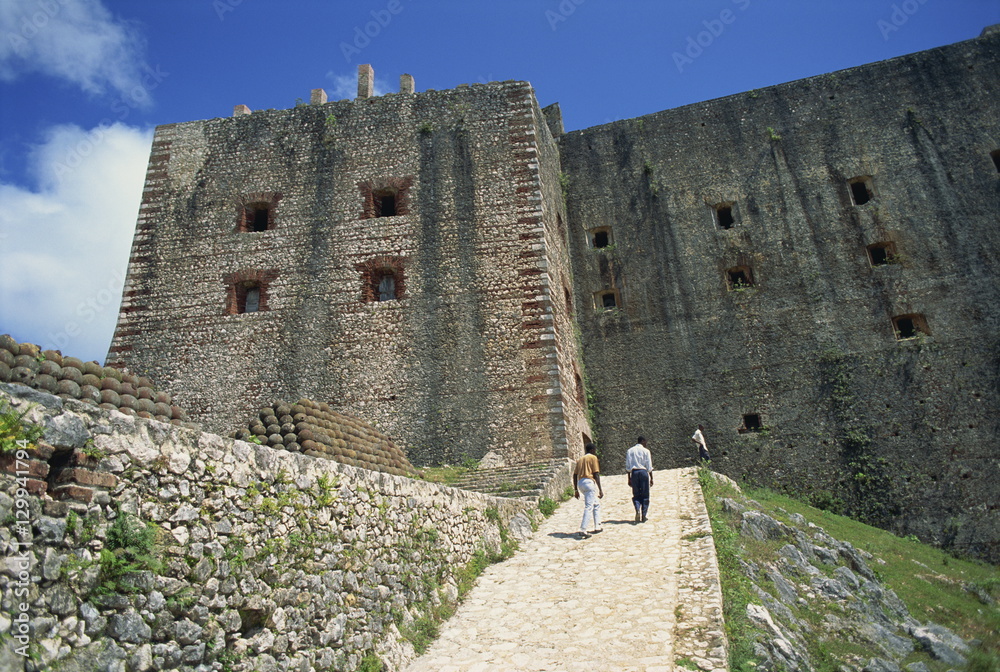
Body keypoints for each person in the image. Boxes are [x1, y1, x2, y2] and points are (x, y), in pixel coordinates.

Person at [573, 442, 604, 538]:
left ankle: (597, 526)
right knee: (589, 506)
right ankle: (583, 529)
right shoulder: (593, 458)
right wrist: (600, 489)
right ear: (591, 450)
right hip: (589, 482)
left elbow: (574, 475)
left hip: (580, 483)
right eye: (594, 450)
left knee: (596, 504)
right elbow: (596, 474)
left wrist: (576, 490)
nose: (595, 452)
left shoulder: (580, 460)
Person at [625, 436, 654, 522]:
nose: (646, 443)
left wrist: (629, 478)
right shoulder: (646, 451)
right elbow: (649, 465)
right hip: (643, 472)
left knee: (636, 494)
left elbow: (628, 466)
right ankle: (644, 515)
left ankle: (637, 508)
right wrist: (651, 478)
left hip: (634, 473)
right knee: (645, 494)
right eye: (645, 442)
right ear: (642, 441)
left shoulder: (630, 451)